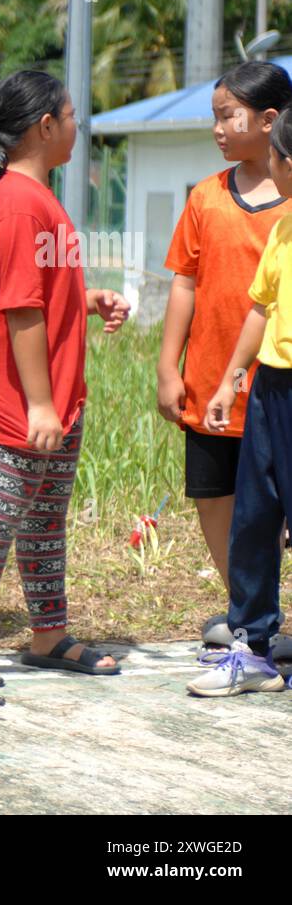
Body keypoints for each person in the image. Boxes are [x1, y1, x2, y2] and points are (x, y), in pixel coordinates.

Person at [0, 70, 130, 686]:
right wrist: (40, 406)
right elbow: (20, 311)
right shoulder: (21, 204)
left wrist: (91, 296)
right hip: (22, 401)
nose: (79, 125)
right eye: (73, 115)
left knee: (44, 521)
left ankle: (48, 634)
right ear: (47, 126)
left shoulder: (38, 199)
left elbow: (43, 290)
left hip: (54, 398)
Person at [156, 61, 292, 648]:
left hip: (278, 386)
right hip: (213, 378)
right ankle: (245, 609)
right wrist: (169, 366)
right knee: (213, 496)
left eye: (226, 115)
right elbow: (183, 281)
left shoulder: (290, 204)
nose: (217, 128)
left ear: (269, 121)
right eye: (213, 116)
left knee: (273, 502)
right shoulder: (205, 197)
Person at [189, 108, 292, 696]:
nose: (269, 167)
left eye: (274, 156)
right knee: (254, 520)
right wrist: (231, 379)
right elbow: (260, 308)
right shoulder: (282, 230)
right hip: (271, 391)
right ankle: (252, 648)